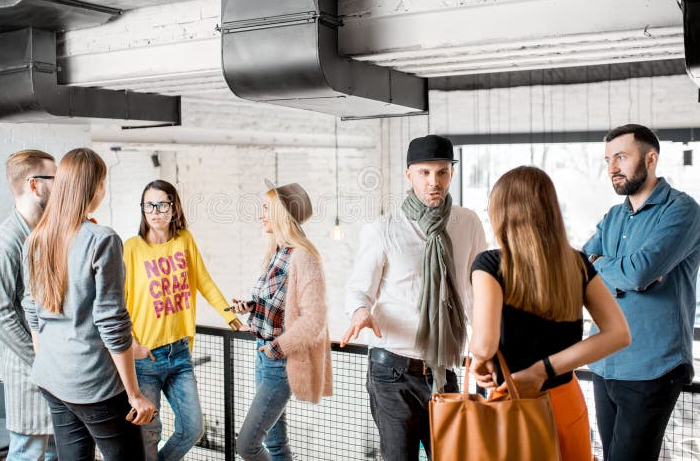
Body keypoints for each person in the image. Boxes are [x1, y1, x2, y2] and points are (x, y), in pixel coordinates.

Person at [341, 134, 487, 461]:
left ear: (451, 173)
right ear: (409, 175)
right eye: (424, 173)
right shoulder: (384, 229)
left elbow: (477, 291)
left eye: (442, 172)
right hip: (392, 371)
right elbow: (357, 287)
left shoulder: (468, 223)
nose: (434, 181)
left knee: (452, 456)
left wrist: (485, 346)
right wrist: (360, 311)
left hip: (444, 368)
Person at [469, 166, 631, 460]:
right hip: (566, 401)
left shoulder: (490, 264)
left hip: (512, 403)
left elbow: (484, 344)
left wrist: (478, 361)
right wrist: (543, 370)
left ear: (501, 213)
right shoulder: (578, 264)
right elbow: (619, 333)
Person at [583, 124, 700, 461]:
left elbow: (638, 274)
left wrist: (602, 263)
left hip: (651, 365)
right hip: (605, 363)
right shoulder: (613, 216)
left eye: (621, 157)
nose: (612, 168)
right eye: (608, 159)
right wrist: (608, 266)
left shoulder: (682, 212)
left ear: (650, 159)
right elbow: (580, 268)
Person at [22, 148, 155, 461]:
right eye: (103, 183)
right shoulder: (101, 239)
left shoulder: (37, 237)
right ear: (95, 187)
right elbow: (112, 323)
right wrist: (135, 395)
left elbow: (32, 307)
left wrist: (53, 360)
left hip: (52, 377)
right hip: (93, 384)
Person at [123, 179, 243, 461]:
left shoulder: (184, 241)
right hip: (145, 358)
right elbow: (115, 302)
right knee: (149, 433)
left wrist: (233, 320)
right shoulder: (131, 248)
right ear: (142, 209)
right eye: (149, 205)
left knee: (192, 428)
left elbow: (205, 282)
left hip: (179, 353)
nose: (155, 211)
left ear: (174, 208)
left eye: (162, 204)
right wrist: (131, 344)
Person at [232, 180, 332, 461]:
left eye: (266, 208)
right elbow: (275, 303)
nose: (261, 215)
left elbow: (315, 321)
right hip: (263, 357)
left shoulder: (304, 257)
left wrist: (277, 347)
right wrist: (250, 306)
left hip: (280, 362)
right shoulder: (277, 253)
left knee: (247, 445)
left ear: (282, 214)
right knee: (276, 446)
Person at [0, 150, 58, 461]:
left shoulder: (41, 233)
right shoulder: (5, 241)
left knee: (56, 454)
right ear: (35, 185)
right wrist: (41, 360)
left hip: (54, 375)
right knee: (27, 454)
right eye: (55, 179)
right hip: (29, 376)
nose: (61, 187)